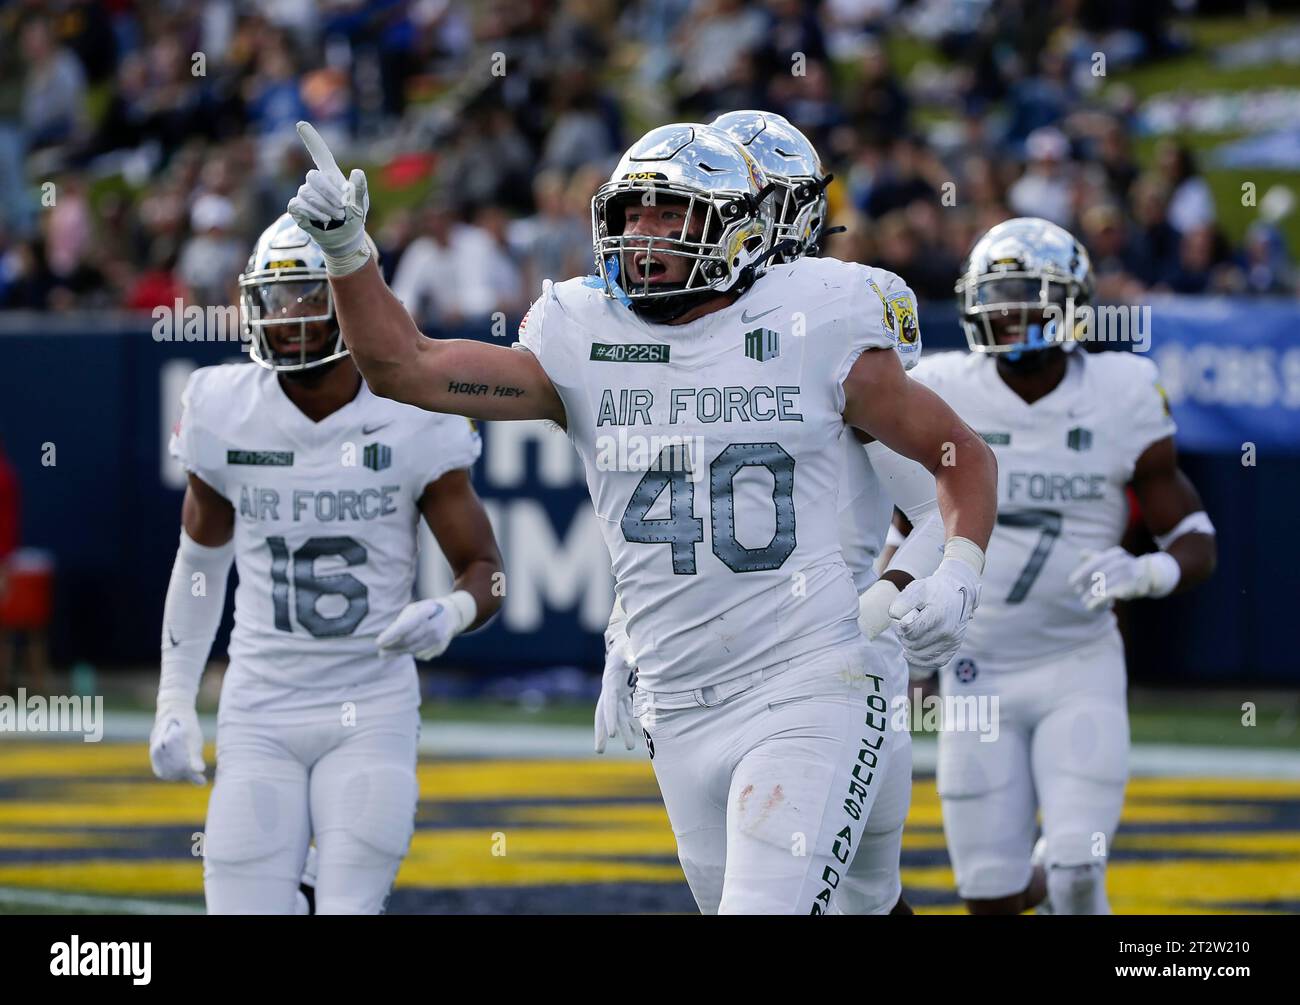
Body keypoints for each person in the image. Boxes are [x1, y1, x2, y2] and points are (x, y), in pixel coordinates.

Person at [287, 120, 997, 914]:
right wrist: (349, 253)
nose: (642, 234)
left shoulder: (816, 317)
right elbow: (403, 367)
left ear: (743, 226)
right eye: (631, 214)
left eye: (669, 214)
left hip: (813, 679)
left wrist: (956, 571)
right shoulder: (584, 332)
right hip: (680, 701)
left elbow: (957, 454)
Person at [594, 110, 949, 918]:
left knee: (843, 898)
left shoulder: (836, 310)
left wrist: (885, 598)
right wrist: (626, 629)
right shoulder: (669, 321)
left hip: (824, 661)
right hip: (703, 676)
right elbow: (685, 514)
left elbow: (937, 495)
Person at [150, 214, 503, 914]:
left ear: (351, 301)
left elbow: (485, 568)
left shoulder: (414, 413)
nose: (291, 317)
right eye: (277, 298)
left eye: (312, 295)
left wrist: (452, 611)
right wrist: (173, 699)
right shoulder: (223, 406)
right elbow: (200, 564)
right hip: (258, 704)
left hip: (370, 706)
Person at [902, 216, 1216, 915]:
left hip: (1079, 663)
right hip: (975, 671)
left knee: (1078, 866)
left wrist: (1149, 572)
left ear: (1072, 301)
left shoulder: (1123, 389)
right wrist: (901, 630)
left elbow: (1193, 530)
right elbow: (902, 518)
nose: (1008, 312)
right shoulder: (945, 383)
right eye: (995, 295)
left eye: (1026, 294)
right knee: (992, 897)